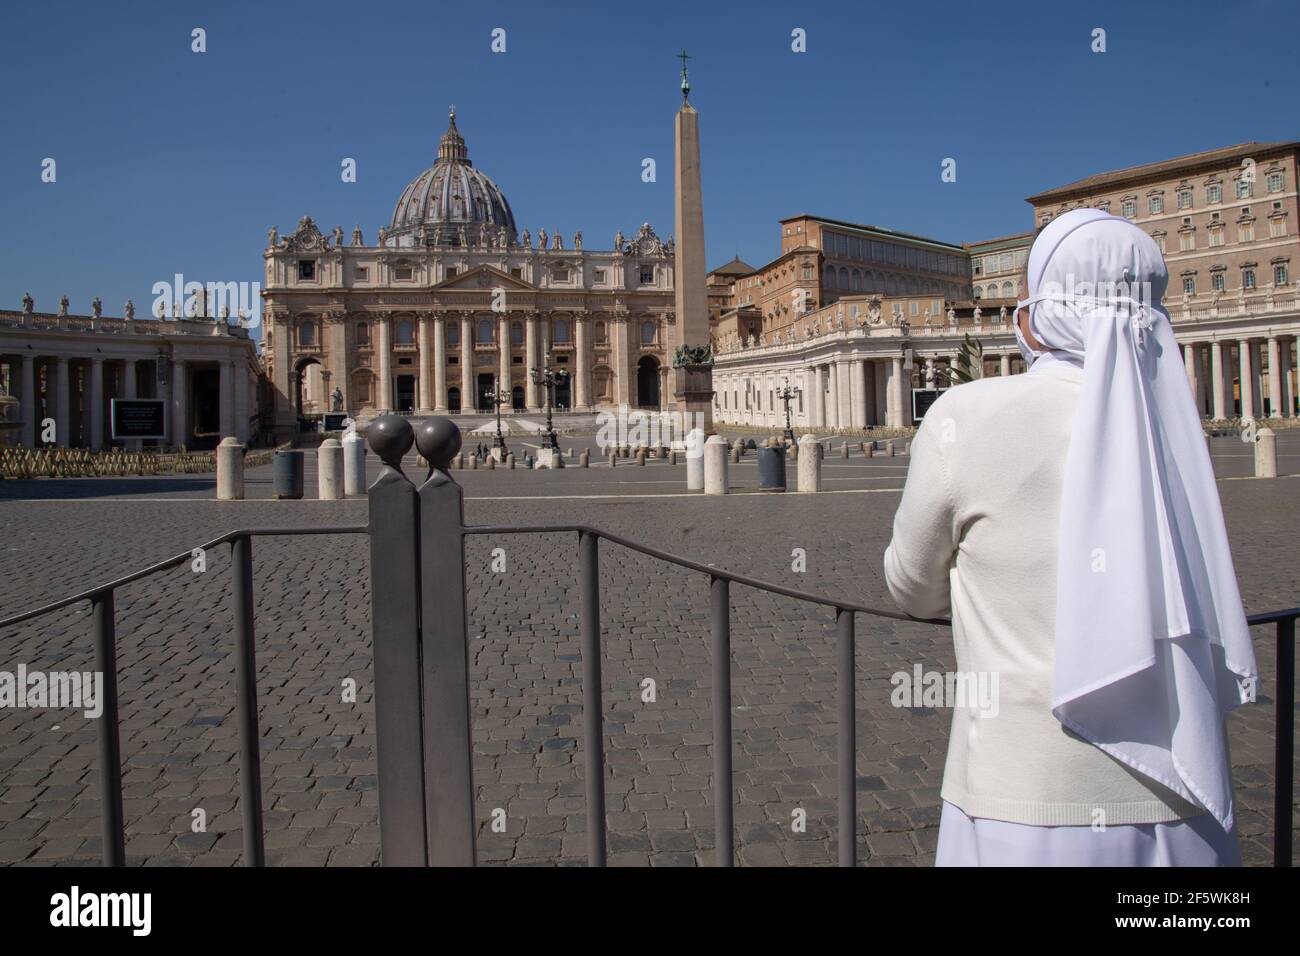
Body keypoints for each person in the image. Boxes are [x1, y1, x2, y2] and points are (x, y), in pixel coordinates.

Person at [883, 208, 1258, 866]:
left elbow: (911, 584)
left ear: (1033, 316)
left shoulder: (964, 417)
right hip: (1187, 801)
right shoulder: (1177, 429)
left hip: (1023, 798)